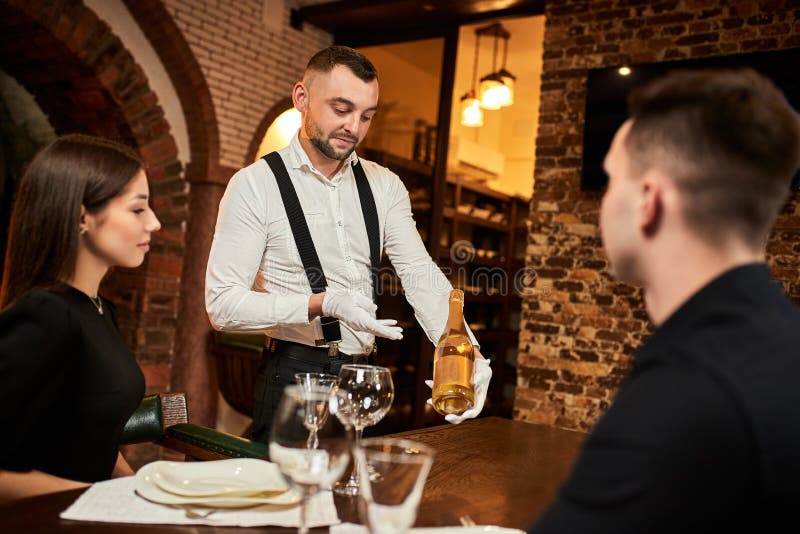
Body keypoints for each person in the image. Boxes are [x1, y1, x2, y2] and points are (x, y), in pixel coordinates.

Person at [529, 68, 800, 533]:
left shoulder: (685, 391)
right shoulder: (781, 343)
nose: (603, 204)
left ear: (648, 200)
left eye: (612, 179)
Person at [206, 45, 492, 442]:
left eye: (367, 116)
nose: (354, 128)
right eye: (341, 110)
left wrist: (469, 353)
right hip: (295, 377)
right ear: (302, 98)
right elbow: (222, 307)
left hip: (363, 377)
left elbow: (419, 273)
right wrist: (320, 304)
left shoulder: (385, 186)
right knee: (288, 483)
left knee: (352, 483)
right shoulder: (255, 185)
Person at [0, 134, 161, 502]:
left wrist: (140, 496)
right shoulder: (46, 315)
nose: (154, 222)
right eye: (138, 209)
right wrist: (102, 499)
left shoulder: (99, 309)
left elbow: (95, 438)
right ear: (82, 215)